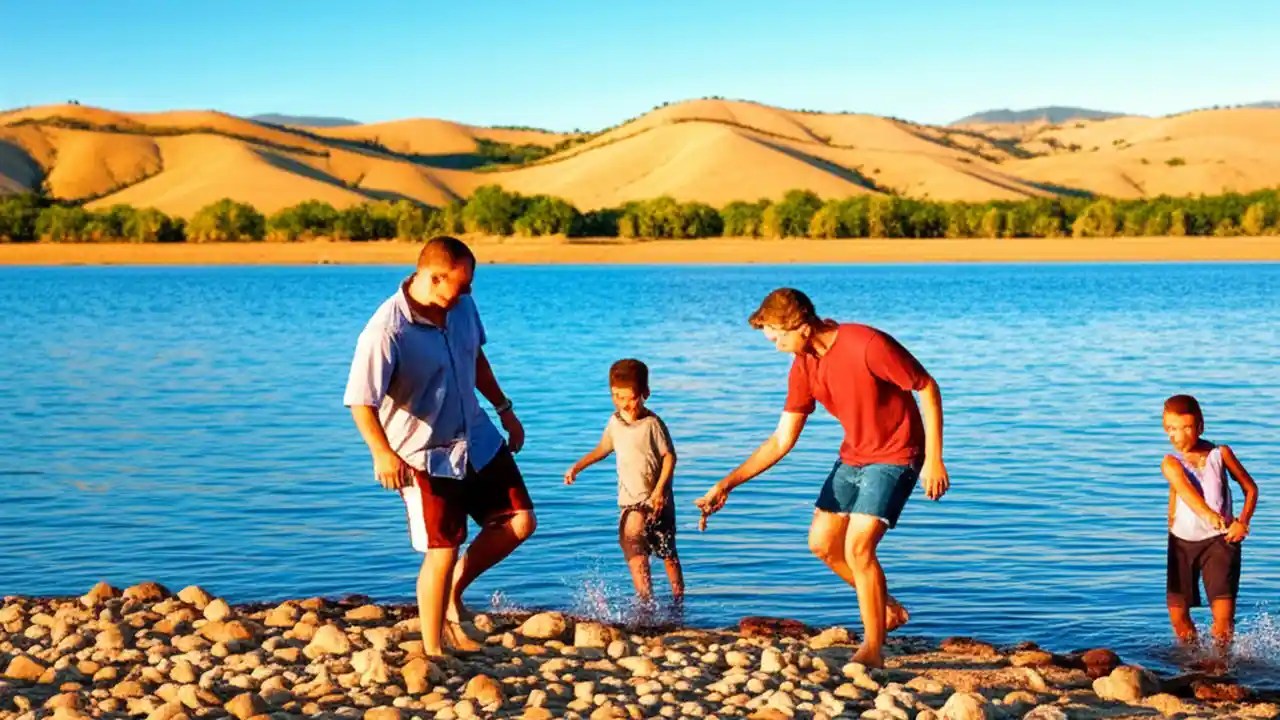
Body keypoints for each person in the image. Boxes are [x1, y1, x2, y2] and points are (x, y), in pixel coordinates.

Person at [695, 288, 949, 668]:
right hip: (854, 455)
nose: (775, 345)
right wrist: (727, 483)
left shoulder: (867, 344)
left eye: (777, 337)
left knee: (859, 548)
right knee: (822, 543)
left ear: (799, 325)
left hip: (898, 454)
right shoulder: (802, 365)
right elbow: (782, 440)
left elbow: (926, 386)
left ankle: (873, 649)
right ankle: (887, 610)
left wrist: (934, 459)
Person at [344, 236, 535, 657]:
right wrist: (381, 452)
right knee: (442, 549)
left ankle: (453, 595)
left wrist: (504, 409)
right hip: (425, 454)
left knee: (520, 522)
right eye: (461, 284)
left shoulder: (462, 307)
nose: (469, 293)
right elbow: (361, 400)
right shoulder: (386, 331)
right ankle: (433, 649)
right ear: (433, 277)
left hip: (479, 438)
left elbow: (476, 360)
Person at [565, 359, 684, 606]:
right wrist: (578, 466)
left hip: (657, 500)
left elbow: (670, 457)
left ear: (645, 394)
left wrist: (660, 491)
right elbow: (603, 448)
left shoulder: (653, 424)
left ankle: (678, 602)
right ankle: (646, 602)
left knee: (667, 555)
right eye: (617, 397)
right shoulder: (615, 422)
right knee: (633, 544)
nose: (624, 404)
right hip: (631, 501)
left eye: (630, 398)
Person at [1161, 394, 1258, 650]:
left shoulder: (1220, 453)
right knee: (1177, 615)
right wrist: (1205, 515)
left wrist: (1242, 521)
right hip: (1182, 544)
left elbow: (1251, 489)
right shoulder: (1171, 463)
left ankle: (1220, 666)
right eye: (1171, 429)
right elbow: (1183, 490)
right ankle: (1192, 660)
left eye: (1186, 428)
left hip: (1220, 542)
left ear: (1200, 426)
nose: (1178, 436)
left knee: (1223, 618)